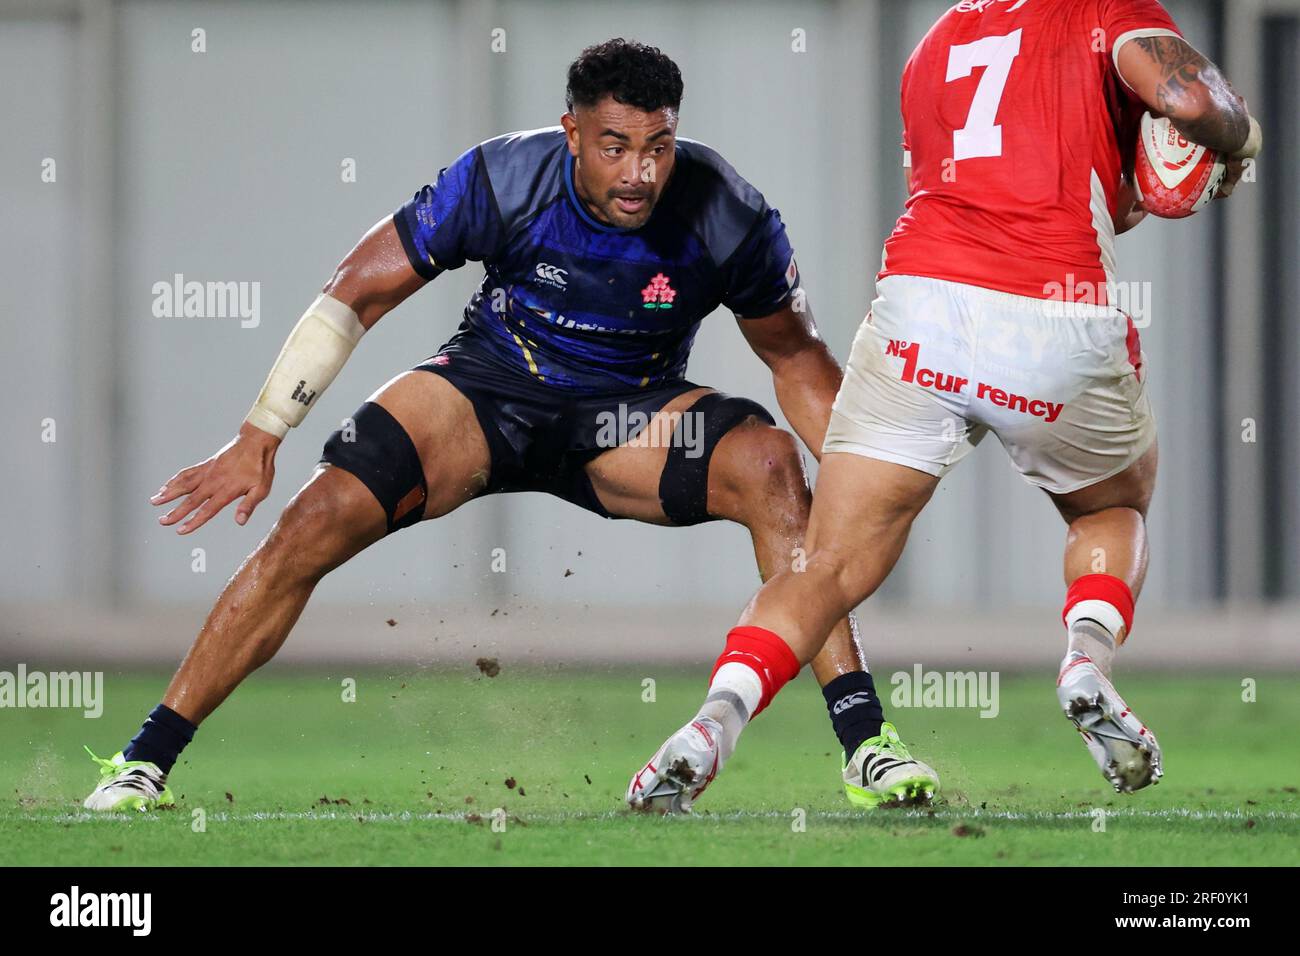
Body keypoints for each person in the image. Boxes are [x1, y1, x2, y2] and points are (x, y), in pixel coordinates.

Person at [84, 39, 937, 814]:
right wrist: (262, 432)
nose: (640, 172)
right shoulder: (504, 179)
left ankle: (866, 744)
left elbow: (795, 358)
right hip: (485, 397)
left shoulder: (725, 212)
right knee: (311, 524)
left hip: (624, 418)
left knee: (770, 464)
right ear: (572, 133)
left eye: (658, 145)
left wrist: (874, 471)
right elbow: (359, 289)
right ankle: (144, 760)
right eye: (615, 146)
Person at [634, 0, 1262, 810]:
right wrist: (1239, 139)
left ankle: (712, 723)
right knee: (1112, 507)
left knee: (826, 564)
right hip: (1052, 306)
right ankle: (1085, 660)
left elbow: (984, 183)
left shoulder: (933, 46)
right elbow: (1192, 102)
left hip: (920, 306)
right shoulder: (1107, 12)